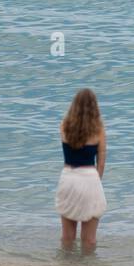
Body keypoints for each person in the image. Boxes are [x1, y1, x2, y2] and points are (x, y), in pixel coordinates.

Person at [55, 88, 107, 247]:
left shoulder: (64, 126)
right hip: (89, 177)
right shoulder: (98, 129)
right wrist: (97, 180)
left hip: (68, 177)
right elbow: (102, 161)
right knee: (89, 239)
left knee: (67, 237)